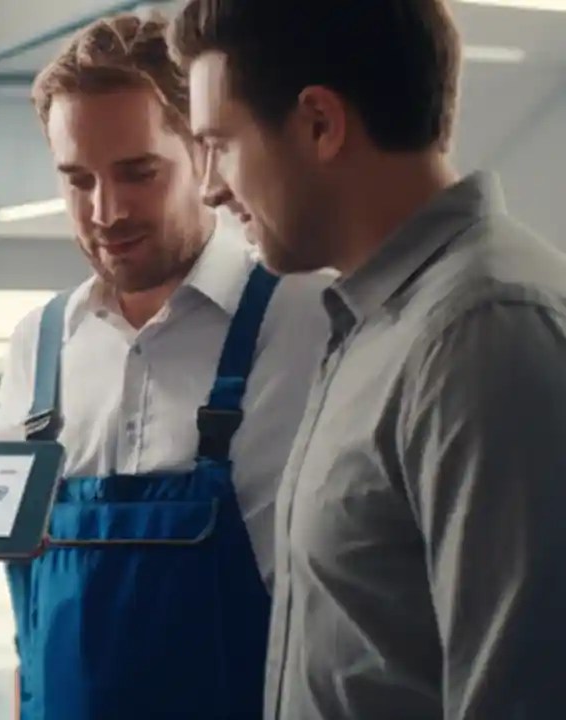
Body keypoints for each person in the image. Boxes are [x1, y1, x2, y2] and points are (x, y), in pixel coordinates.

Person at [170, 0, 566, 718]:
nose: (208, 186)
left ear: (320, 123)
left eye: (219, 143)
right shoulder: (375, 323)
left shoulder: (484, 335)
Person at [0, 12, 330, 719]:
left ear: (205, 156)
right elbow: (16, 570)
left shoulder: (311, 318)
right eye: (77, 180)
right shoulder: (40, 343)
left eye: (138, 173)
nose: (106, 211)